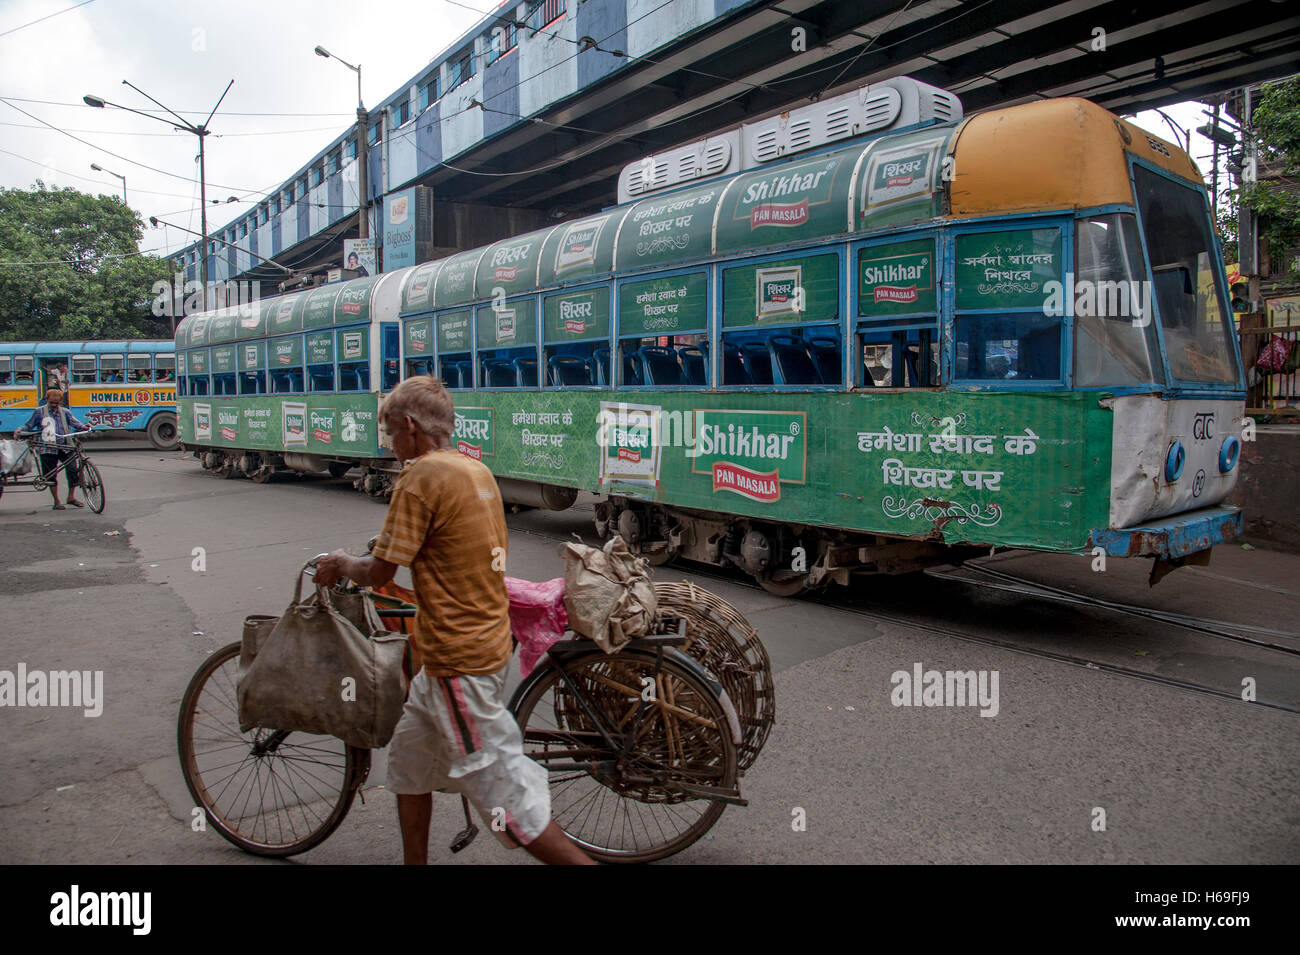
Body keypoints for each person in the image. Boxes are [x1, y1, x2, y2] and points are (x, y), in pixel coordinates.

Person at [314, 377, 593, 865]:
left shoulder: (420, 477)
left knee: (509, 803)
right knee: (408, 766)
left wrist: (339, 562)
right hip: (472, 646)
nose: (392, 447)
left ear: (409, 427)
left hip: (457, 660)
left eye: (390, 434)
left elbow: (379, 572)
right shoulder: (473, 469)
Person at [17, 388, 88, 509]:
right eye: (52, 403)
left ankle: (71, 497)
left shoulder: (65, 412)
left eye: (57, 403)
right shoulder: (39, 412)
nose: (54, 406)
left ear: (60, 402)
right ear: (47, 400)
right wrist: (19, 430)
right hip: (47, 448)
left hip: (66, 446)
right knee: (50, 475)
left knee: (72, 471)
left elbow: (75, 423)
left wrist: (84, 426)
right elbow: (29, 425)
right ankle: (56, 501)